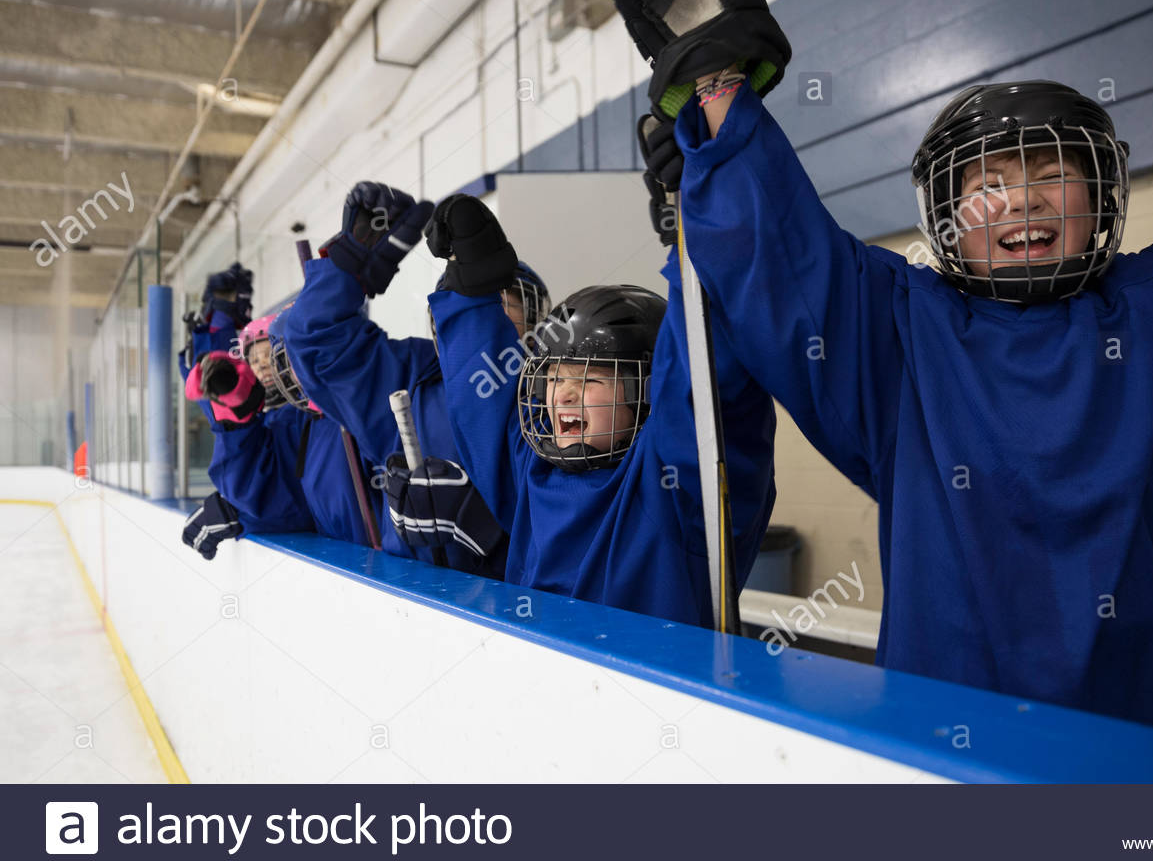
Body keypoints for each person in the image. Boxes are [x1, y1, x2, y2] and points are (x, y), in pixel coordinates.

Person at [608, 0, 1153, 742]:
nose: (1022, 201)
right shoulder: (899, 333)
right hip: (957, 768)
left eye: (1052, 174)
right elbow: (786, 256)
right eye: (990, 184)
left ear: (1102, 201)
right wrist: (717, 80)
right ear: (948, 217)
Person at [408, 190, 776, 626]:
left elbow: (714, 390)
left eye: (589, 379)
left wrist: (702, 242)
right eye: (555, 377)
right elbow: (481, 401)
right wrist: (472, 287)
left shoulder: (672, 487)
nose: (562, 395)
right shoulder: (534, 473)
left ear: (647, 391)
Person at [281, 182, 539, 576]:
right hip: (409, 606)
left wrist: (493, 535)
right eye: (482, 307)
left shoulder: (564, 393)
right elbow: (318, 343)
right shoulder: (414, 377)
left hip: (515, 617)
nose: (494, 321)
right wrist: (351, 265)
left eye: (507, 308)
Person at [182, 268, 384, 547]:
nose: (264, 365)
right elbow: (291, 502)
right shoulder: (279, 420)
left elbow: (292, 505)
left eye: (272, 355)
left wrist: (241, 513)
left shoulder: (314, 417)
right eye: (255, 360)